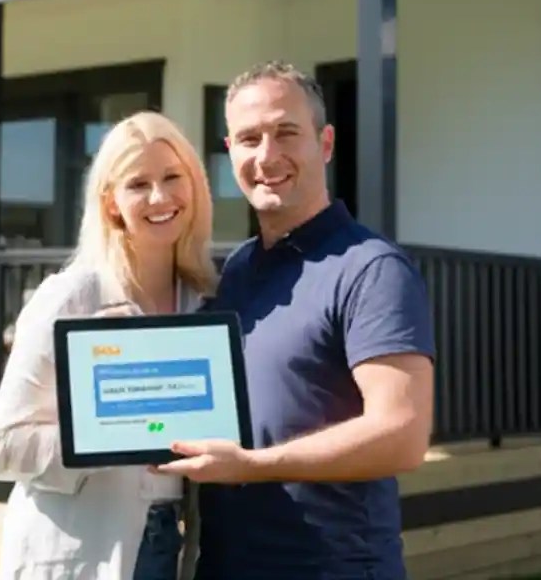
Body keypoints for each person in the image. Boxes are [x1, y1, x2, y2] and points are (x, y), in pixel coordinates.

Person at [154, 61, 436, 579]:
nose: (267, 155)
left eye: (287, 132)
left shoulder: (371, 269)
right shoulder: (236, 269)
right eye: (249, 138)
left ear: (325, 144)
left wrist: (253, 466)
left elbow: (402, 432)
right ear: (230, 150)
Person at [0, 110, 219, 580]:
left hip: (172, 544)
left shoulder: (207, 300)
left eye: (173, 177)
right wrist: (112, 439)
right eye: (138, 184)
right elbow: (2, 446)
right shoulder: (71, 296)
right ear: (111, 202)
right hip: (80, 551)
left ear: (194, 186)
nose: (160, 197)